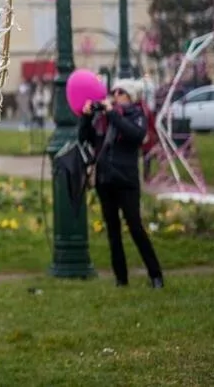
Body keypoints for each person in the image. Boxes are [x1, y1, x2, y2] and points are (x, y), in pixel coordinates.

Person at [79, 79, 164, 288]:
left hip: (126, 180)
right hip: (105, 179)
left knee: (135, 226)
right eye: (113, 92)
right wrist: (86, 117)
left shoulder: (137, 114)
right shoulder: (102, 118)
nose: (115, 95)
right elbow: (84, 138)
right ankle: (121, 278)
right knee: (112, 230)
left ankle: (155, 275)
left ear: (130, 97)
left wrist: (113, 114)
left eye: (121, 92)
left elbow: (136, 135)